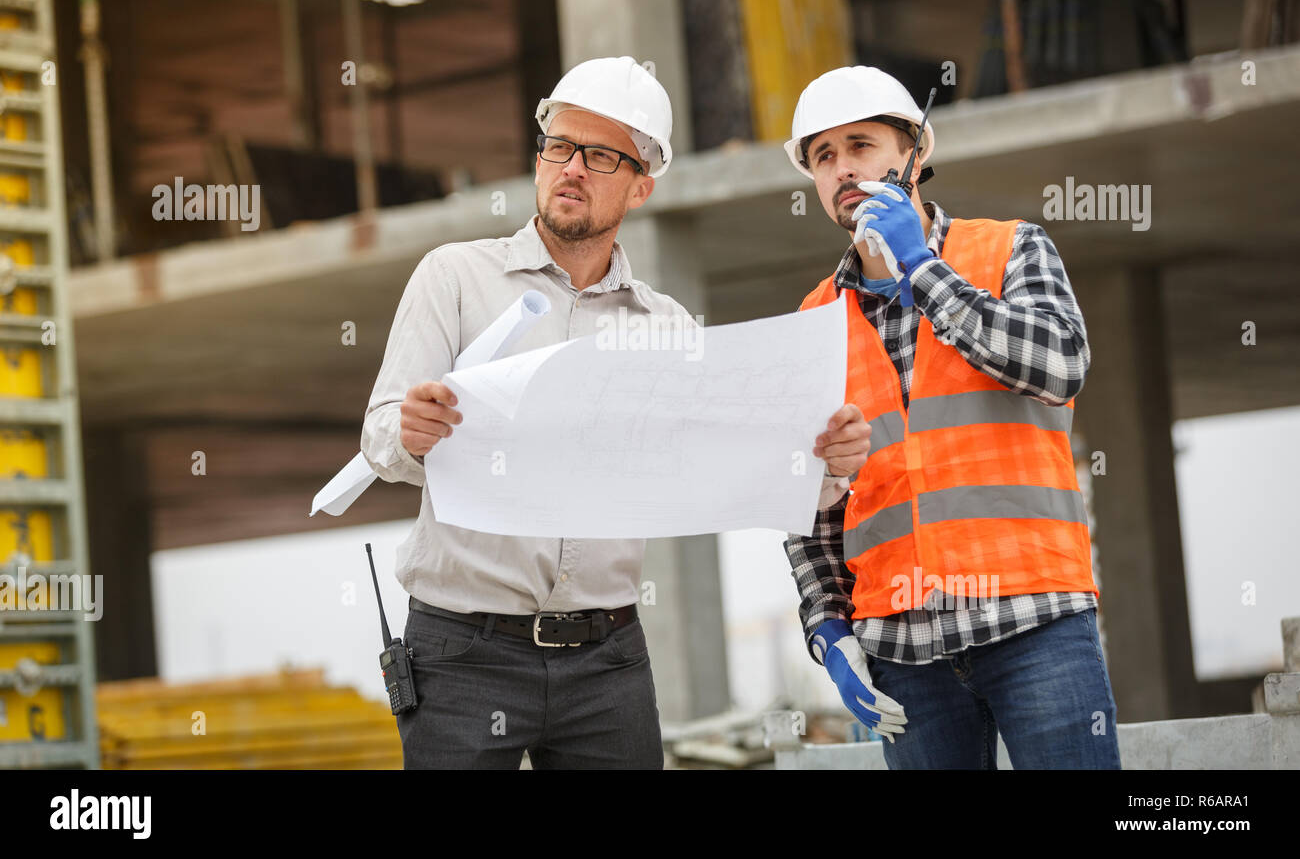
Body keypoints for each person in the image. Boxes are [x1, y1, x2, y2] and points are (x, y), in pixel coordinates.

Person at [362, 56, 873, 769]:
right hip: (461, 652)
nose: (571, 168)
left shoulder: (666, 327)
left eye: (600, 156)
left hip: (606, 660)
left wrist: (826, 467)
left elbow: (733, 469)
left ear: (641, 186)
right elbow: (382, 435)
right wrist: (410, 433)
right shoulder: (453, 277)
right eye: (560, 147)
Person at [782, 65, 1121, 769]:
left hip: (1036, 625)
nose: (843, 168)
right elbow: (801, 497)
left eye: (861, 144)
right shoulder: (814, 319)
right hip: (903, 657)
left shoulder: (1011, 249)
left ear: (916, 151)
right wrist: (828, 626)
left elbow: (1060, 364)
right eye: (823, 156)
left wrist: (922, 271)